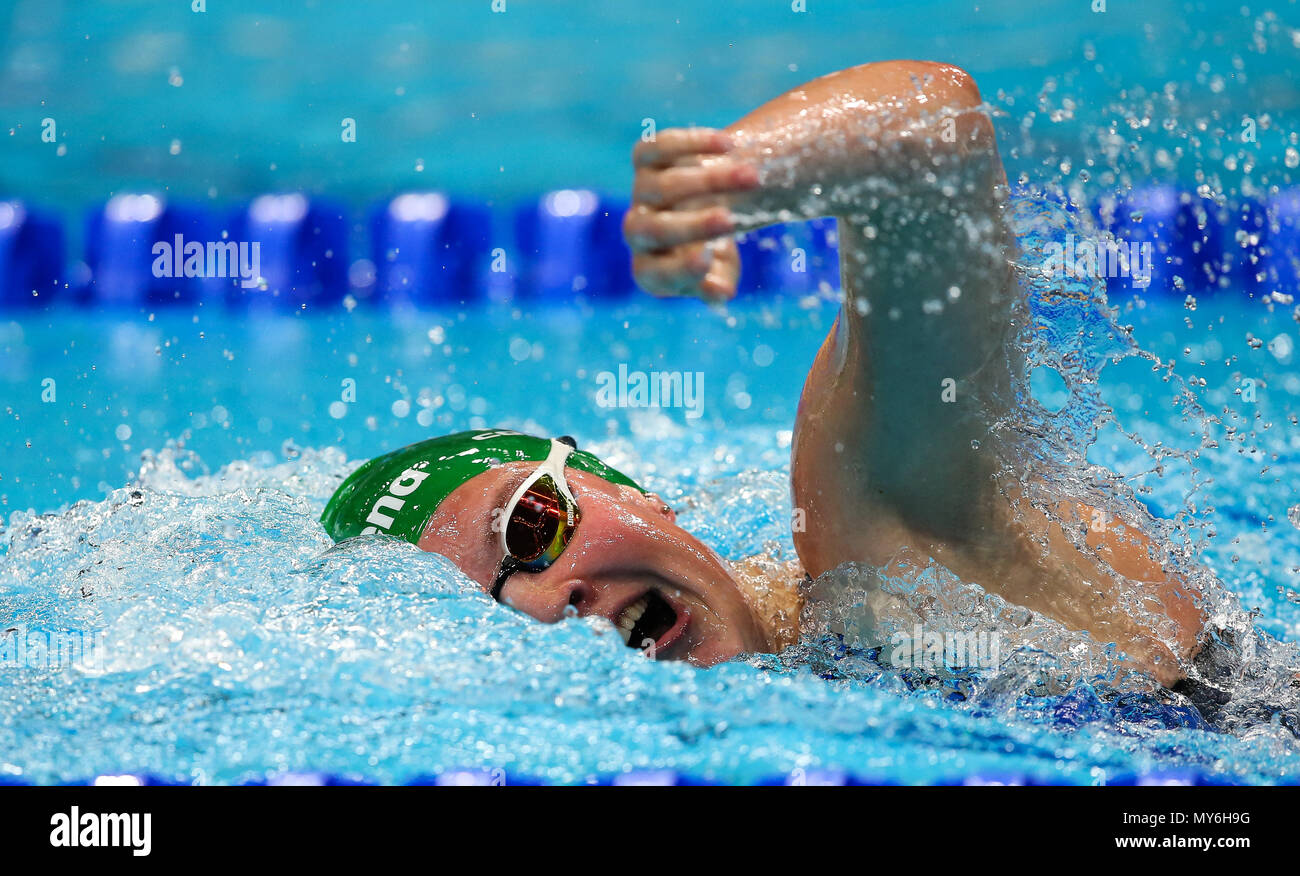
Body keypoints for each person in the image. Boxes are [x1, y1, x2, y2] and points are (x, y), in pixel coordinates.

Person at [321, 60, 1205, 688]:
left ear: (631, 494)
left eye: (530, 529)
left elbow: (938, 138)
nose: (552, 604)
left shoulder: (879, 548)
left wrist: (733, 175)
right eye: (490, 620)